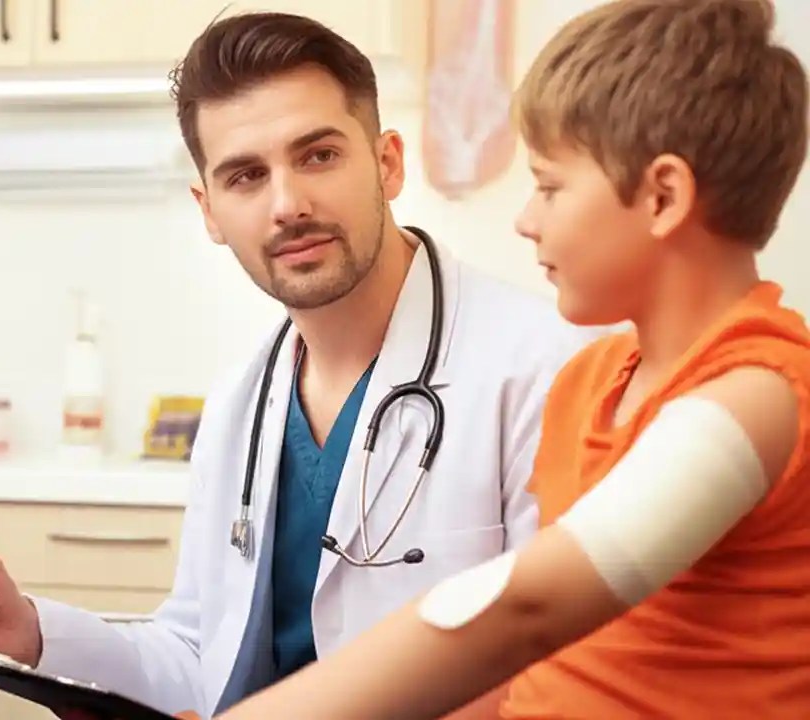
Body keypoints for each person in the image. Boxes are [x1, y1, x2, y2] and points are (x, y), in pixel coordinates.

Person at [0, 11, 589, 719]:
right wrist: (33, 633)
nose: (288, 205)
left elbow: (563, 665)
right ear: (209, 210)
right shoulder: (242, 404)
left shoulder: (540, 368)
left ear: (388, 162)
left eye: (318, 155)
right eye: (245, 177)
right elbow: (202, 658)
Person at [209, 0, 810, 718]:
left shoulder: (759, 394)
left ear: (662, 196)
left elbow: (523, 610)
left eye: (550, 185)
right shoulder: (589, 384)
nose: (525, 219)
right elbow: (517, 670)